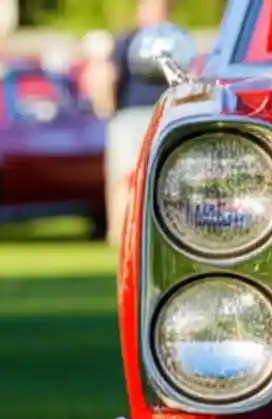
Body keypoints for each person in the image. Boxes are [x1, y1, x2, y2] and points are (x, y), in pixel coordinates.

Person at [95, 0, 173, 246]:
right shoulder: (128, 41)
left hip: (160, 114)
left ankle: (154, 232)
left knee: (160, 176)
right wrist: (107, 106)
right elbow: (108, 75)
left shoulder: (173, 41)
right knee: (122, 177)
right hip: (130, 116)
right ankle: (117, 232)